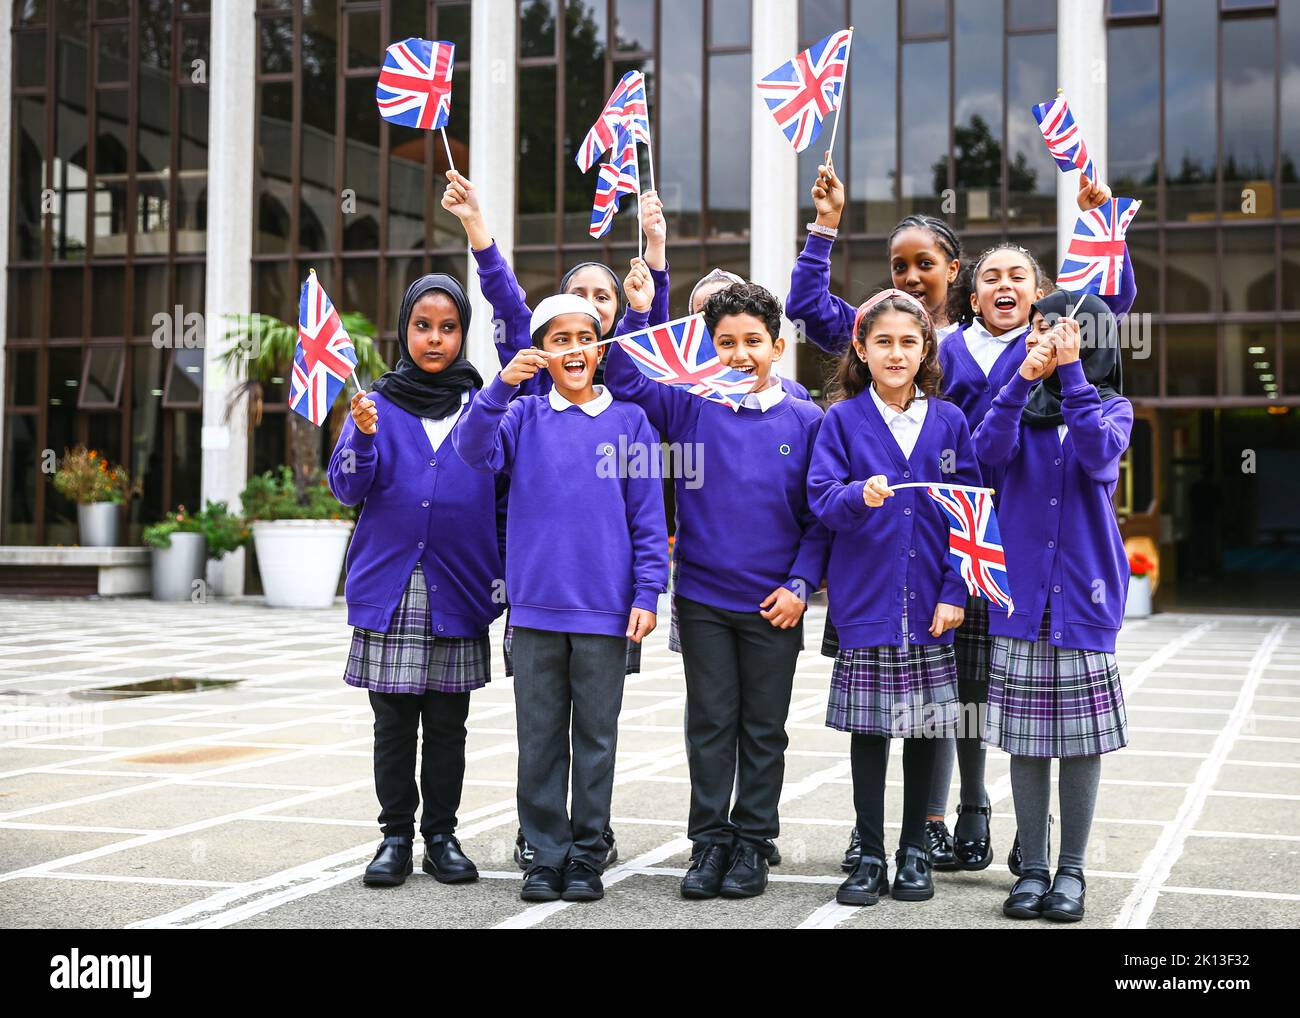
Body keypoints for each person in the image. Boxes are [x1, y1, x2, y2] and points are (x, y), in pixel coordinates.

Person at [606, 266, 828, 899]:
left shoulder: (806, 420)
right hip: (703, 600)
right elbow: (624, 377)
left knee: (763, 728)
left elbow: (818, 521)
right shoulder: (690, 404)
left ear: (777, 347)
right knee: (709, 724)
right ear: (710, 347)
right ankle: (709, 842)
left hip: (774, 606)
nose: (740, 354)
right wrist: (640, 314)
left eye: (753, 341)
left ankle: (754, 842)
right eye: (726, 342)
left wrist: (800, 584)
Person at [453, 293, 669, 903]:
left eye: (585, 337)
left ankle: (585, 853)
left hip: (605, 611)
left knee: (596, 739)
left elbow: (649, 519)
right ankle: (544, 855)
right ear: (541, 352)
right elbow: (473, 452)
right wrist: (498, 388)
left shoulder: (632, 422)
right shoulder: (521, 417)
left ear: (599, 349)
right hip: (535, 610)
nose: (573, 348)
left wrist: (648, 591)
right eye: (558, 339)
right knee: (539, 737)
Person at [327, 273, 505, 889]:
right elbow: (348, 486)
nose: (435, 339)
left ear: (463, 333)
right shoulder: (375, 402)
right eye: (422, 326)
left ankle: (442, 837)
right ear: (404, 330)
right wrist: (363, 436)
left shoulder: (486, 406)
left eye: (448, 327)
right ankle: (395, 837)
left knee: (449, 725)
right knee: (394, 722)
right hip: (393, 588)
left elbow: (505, 499)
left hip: (459, 587)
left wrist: (499, 573)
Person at [807, 288, 981, 906]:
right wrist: (860, 495)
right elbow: (821, 499)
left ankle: (913, 852)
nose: (896, 352)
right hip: (867, 602)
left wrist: (955, 590)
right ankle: (870, 853)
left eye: (909, 341)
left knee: (927, 730)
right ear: (861, 347)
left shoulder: (951, 422)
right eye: (883, 341)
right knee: (870, 733)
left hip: (932, 606)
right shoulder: (841, 420)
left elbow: (972, 518)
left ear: (926, 348)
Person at [973, 290, 1132, 922]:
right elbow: (986, 454)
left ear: (1093, 341)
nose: (1049, 338)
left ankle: (1072, 872)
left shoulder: (1112, 408)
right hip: (1022, 599)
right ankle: (1033, 869)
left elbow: (1097, 459)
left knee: (1081, 742)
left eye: (1065, 331)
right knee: (1027, 742)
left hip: (1085, 600)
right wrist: (1023, 378)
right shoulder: (1017, 406)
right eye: (1040, 330)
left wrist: (1069, 377)